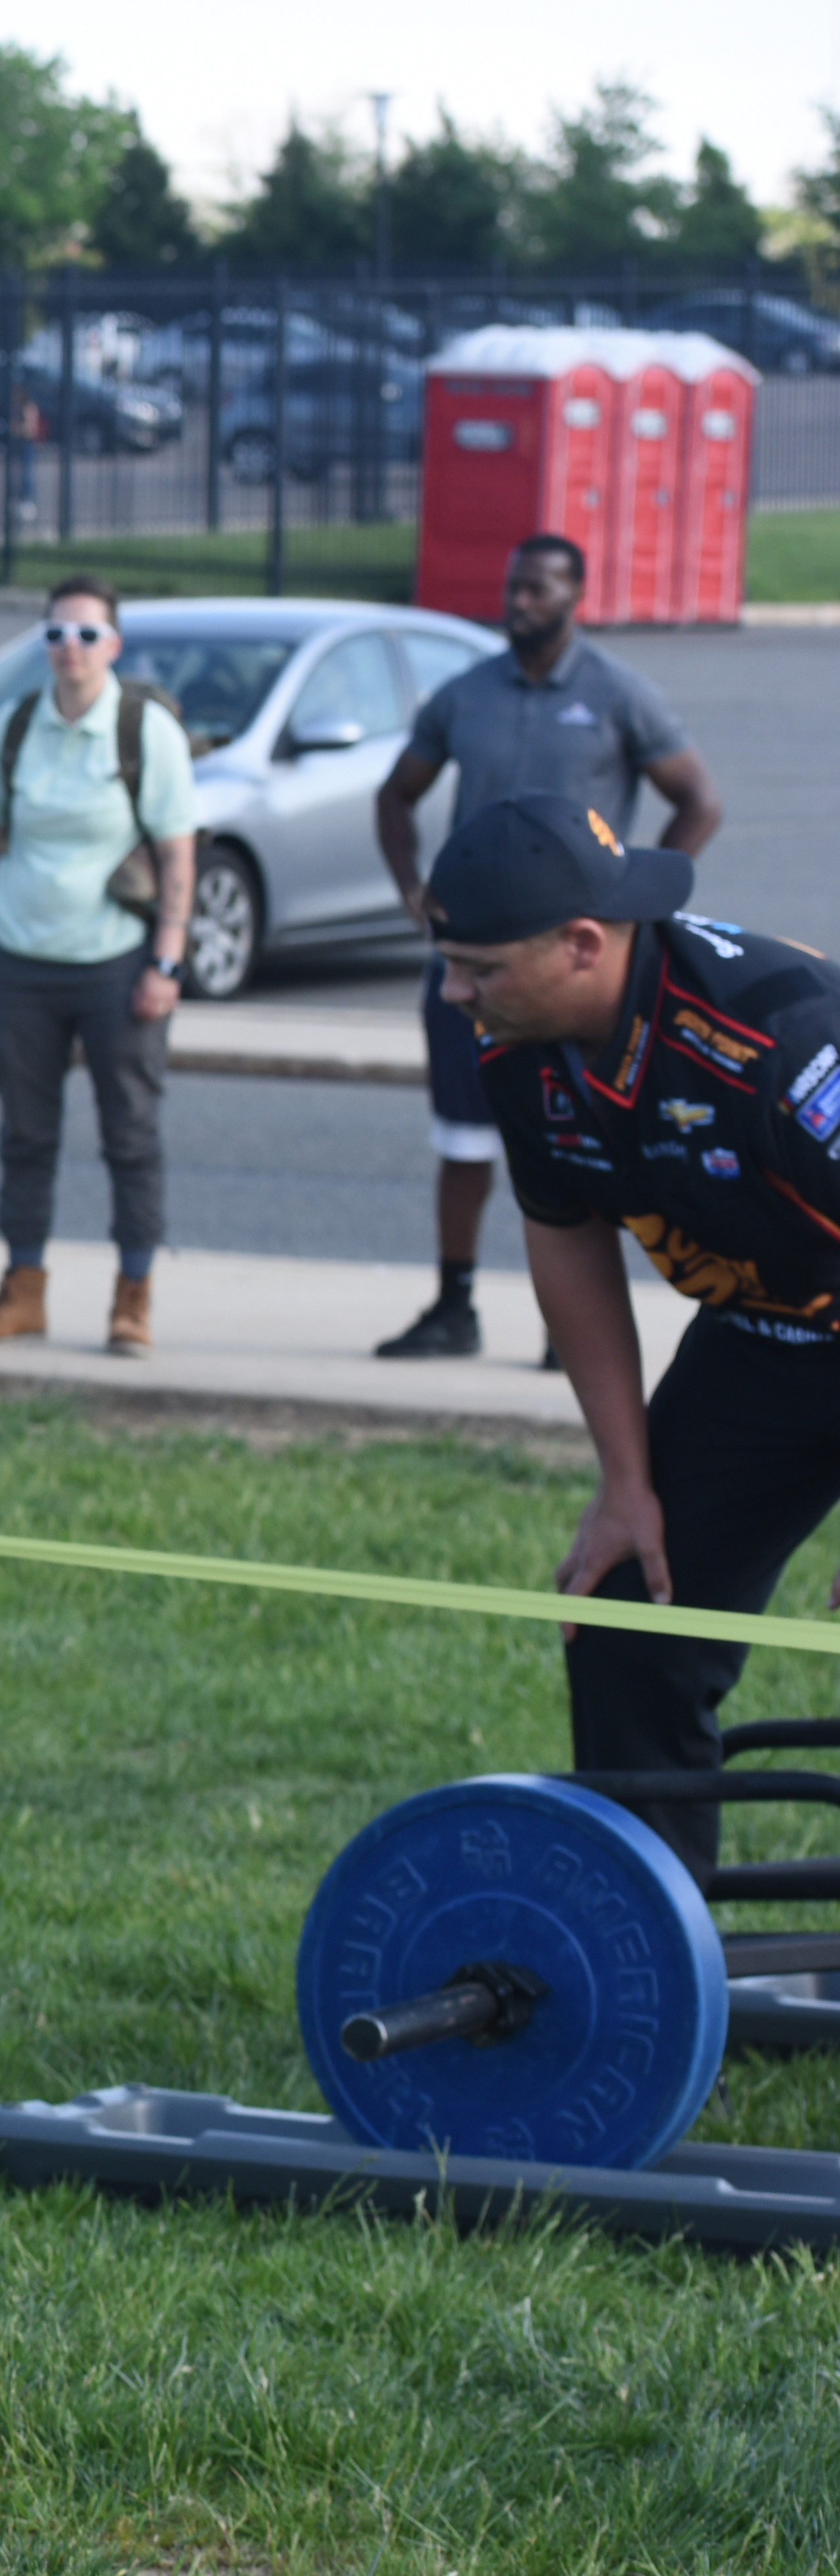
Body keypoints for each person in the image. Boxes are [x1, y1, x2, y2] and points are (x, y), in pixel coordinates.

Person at [431, 795, 839, 1873]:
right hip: (767, 1340)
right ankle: (667, 1956)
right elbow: (565, 1238)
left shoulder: (780, 1037)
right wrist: (625, 1481)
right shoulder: (518, 1049)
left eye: (476, 966)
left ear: (582, 944)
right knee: (626, 1612)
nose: (451, 992)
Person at [370, 533, 725, 1360]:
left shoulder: (617, 693)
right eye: (512, 585)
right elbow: (397, 793)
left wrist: (625, 902)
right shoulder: (466, 694)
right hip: (472, 968)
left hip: (566, 977)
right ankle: (453, 1306)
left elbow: (699, 800)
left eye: (536, 589)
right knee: (462, 1140)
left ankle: (567, 1331)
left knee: (583, 1146)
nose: (517, 601)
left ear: (575, 595)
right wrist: (411, 890)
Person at [0, 575, 196, 1358]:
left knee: (130, 1135)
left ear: (112, 646)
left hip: (114, 965)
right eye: (55, 635)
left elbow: (176, 851)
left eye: (86, 635)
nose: (69, 650)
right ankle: (22, 1291)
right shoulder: (17, 726)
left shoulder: (141, 730)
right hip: (20, 960)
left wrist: (167, 960)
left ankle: (133, 1298)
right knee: (24, 1134)